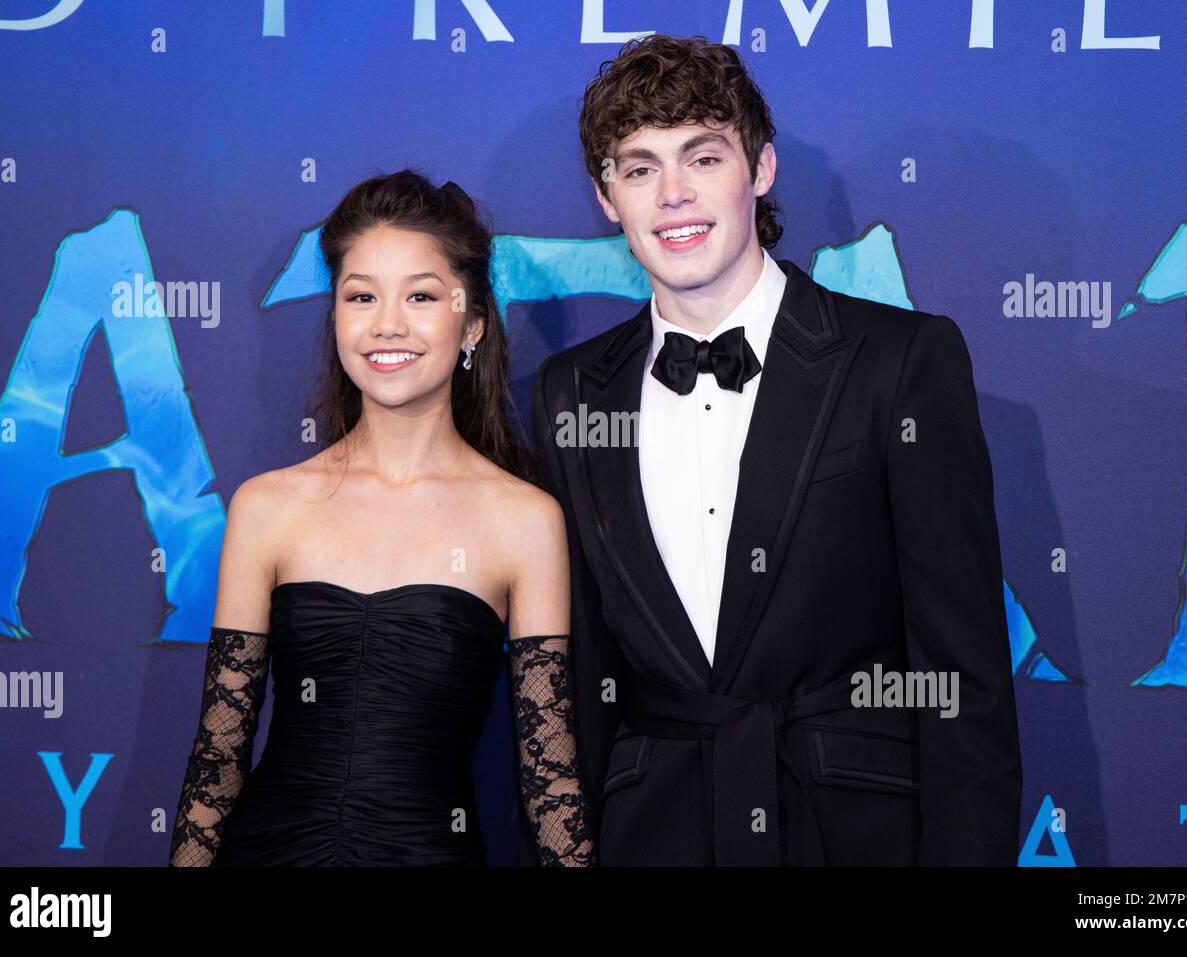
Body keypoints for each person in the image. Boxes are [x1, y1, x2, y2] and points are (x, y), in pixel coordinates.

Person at [529, 34, 1023, 865]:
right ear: (608, 198)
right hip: (654, 836)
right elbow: (577, 677)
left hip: (851, 835)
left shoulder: (899, 361)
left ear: (759, 169)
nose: (674, 196)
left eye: (703, 156)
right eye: (640, 168)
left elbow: (961, 677)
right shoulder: (571, 391)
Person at [168, 170, 595, 866]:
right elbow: (216, 765)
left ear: (474, 324)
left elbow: (552, 790)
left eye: (421, 296)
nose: (386, 323)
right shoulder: (267, 507)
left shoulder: (524, 520)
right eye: (360, 295)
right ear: (335, 315)